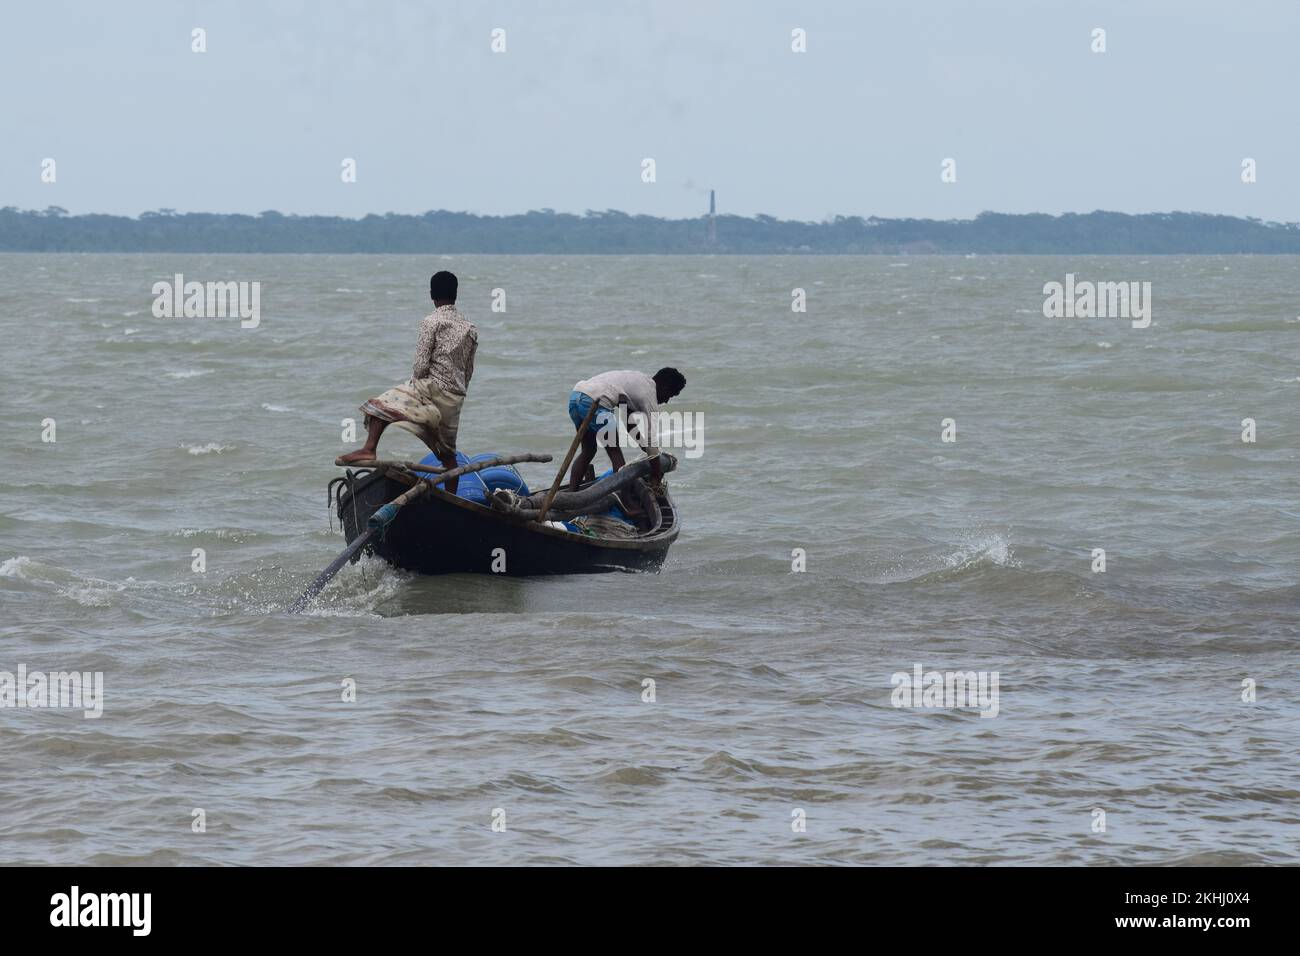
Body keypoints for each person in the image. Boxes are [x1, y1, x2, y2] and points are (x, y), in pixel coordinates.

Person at [339, 271, 477, 494]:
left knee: (379, 406)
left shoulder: (431, 322)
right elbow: (469, 370)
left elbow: (421, 365)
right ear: (455, 295)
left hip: (430, 388)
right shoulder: (470, 328)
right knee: (448, 456)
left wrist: (415, 387)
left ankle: (369, 449)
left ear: (432, 295)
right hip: (455, 397)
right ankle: (452, 498)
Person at [567, 368, 686, 492]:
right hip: (595, 403)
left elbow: (628, 421)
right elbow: (652, 441)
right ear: (664, 388)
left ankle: (571, 494)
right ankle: (626, 501)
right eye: (669, 395)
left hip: (576, 396)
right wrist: (656, 476)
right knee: (615, 453)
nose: (666, 401)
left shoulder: (638, 381)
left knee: (588, 450)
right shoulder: (649, 396)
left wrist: (643, 446)